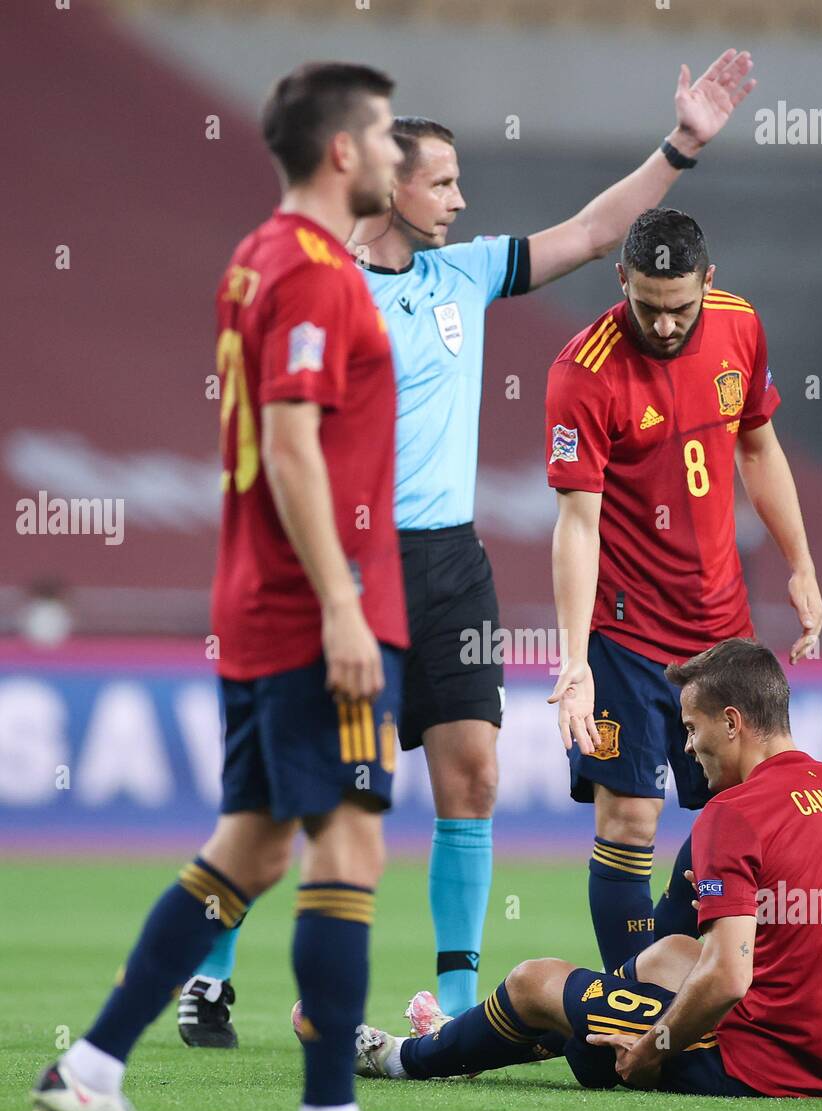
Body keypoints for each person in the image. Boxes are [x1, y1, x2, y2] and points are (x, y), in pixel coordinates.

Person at [187, 49, 759, 1041]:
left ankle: (455, 1000)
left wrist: (679, 148)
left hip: (449, 566)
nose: (459, 198)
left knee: (473, 775)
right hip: (353, 564)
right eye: (442, 181)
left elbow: (589, 230)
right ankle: (211, 968)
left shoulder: (465, 271)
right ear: (389, 184)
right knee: (295, 792)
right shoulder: (327, 287)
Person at [31, 61, 457, 1111]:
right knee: (351, 837)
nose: (397, 158)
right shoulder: (315, 274)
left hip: (255, 601)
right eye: (380, 137)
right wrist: (341, 607)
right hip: (314, 608)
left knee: (253, 844)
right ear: (341, 155)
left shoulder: (258, 258)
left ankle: (90, 1070)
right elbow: (294, 442)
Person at [357, 639, 822, 1101]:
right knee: (670, 952)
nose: (688, 747)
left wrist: (652, 1050)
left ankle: (404, 1058)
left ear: (734, 723)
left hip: (757, 1066)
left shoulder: (736, 814)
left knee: (534, 981)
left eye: (692, 728)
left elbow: (728, 977)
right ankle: (504, 1040)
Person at [546, 207, 822, 970]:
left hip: (721, 636)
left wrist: (800, 562)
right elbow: (576, 524)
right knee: (630, 820)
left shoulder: (741, 326)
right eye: (646, 306)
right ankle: (627, 1003)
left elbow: (759, 447)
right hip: (627, 636)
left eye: (679, 307)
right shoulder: (583, 372)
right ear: (620, 281)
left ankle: (710, 990)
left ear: (709, 280)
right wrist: (574, 661)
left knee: (736, 819)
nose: (664, 325)